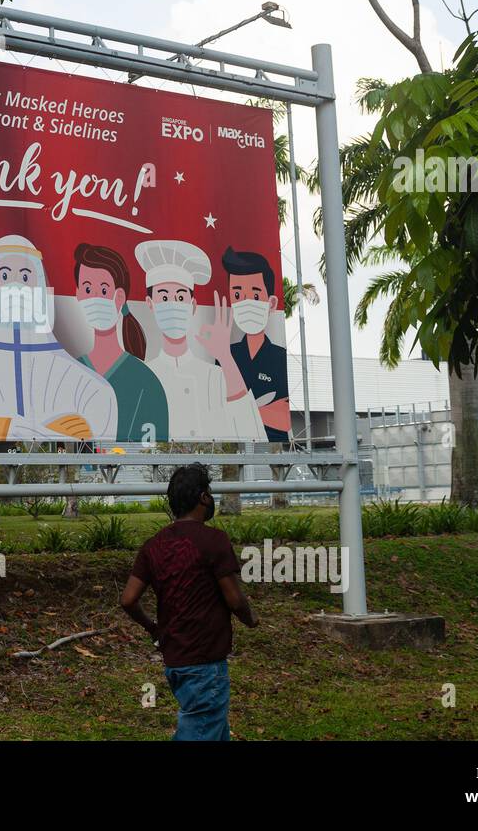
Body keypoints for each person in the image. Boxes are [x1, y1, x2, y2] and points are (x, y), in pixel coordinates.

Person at [0, 234, 116, 441]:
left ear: (42, 289)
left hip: (62, 474)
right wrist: (48, 431)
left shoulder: (90, 387)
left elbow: (100, 450)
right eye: (4, 276)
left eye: (25, 277)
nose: (15, 287)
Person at [120, 463, 258, 741]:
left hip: (175, 661)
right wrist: (250, 619)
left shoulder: (153, 545)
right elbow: (234, 599)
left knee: (213, 729)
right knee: (201, 729)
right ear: (203, 497)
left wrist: (154, 630)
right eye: (209, 492)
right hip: (205, 661)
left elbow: (128, 599)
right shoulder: (214, 540)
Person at [134, 239, 265, 441]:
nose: (173, 305)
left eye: (180, 298)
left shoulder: (217, 377)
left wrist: (225, 357)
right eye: (164, 297)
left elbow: (254, 437)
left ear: (193, 305)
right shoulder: (143, 378)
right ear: (150, 304)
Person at [73, 243, 168, 443]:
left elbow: (155, 447)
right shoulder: (72, 373)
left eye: (104, 289)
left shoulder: (146, 382)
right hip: (79, 474)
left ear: (120, 297)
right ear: (78, 294)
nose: (95, 298)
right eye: (88, 288)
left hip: (134, 473)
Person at [222, 247, 290, 442]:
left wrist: (239, 409)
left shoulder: (279, 357)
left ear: (271, 303)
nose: (245, 302)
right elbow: (217, 414)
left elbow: (282, 419)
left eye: (255, 294)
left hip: (272, 445)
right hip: (230, 449)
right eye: (237, 295)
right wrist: (260, 409)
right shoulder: (224, 356)